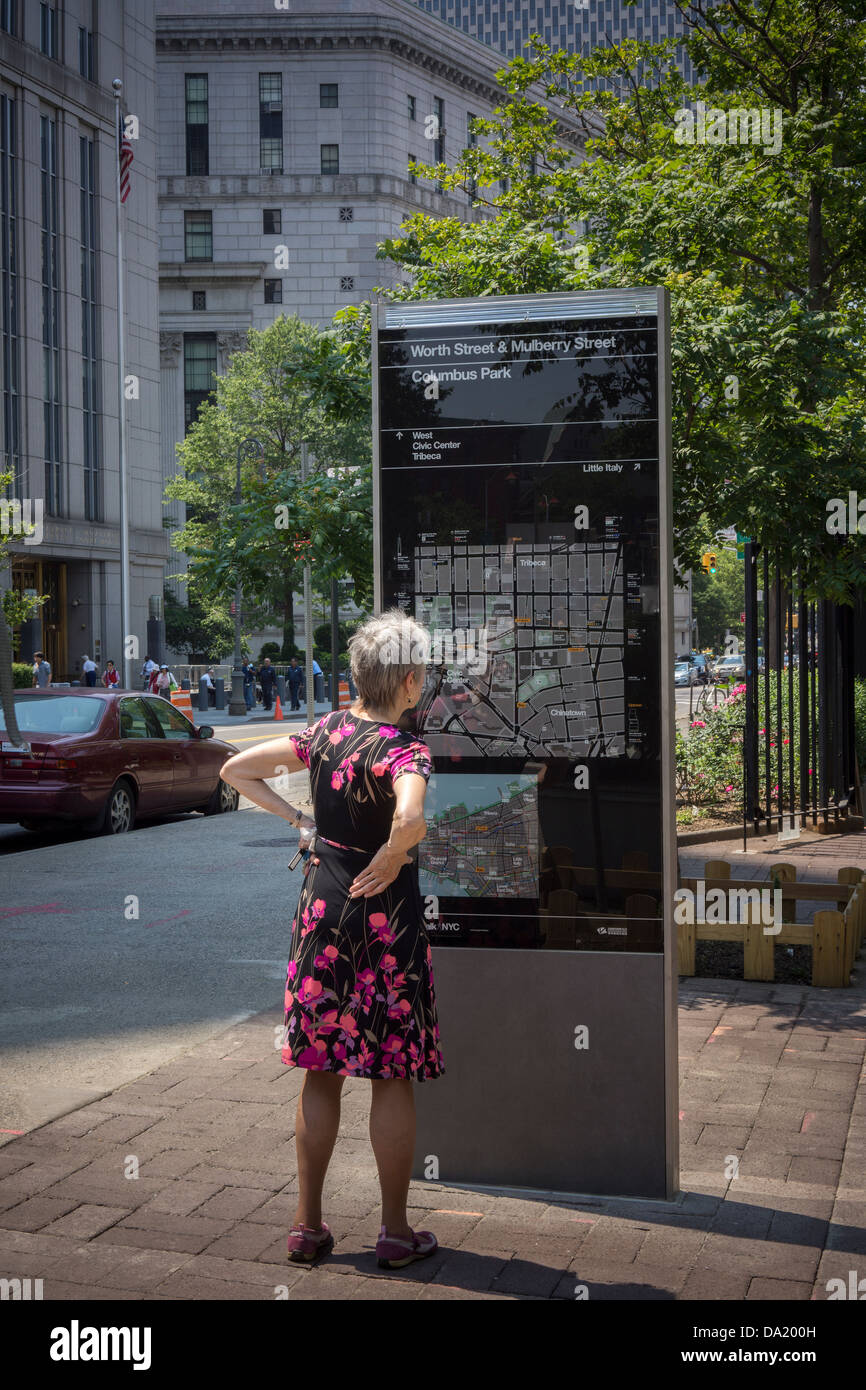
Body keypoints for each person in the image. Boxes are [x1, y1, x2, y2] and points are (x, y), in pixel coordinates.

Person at [221, 608, 443, 1271]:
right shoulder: (406, 750)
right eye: (422, 677)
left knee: (321, 1069)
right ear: (406, 682)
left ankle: (306, 1226)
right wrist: (396, 853)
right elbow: (410, 814)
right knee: (390, 1071)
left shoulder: (322, 734)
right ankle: (396, 1233)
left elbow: (236, 770)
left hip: (322, 913)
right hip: (388, 924)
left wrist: (301, 821)